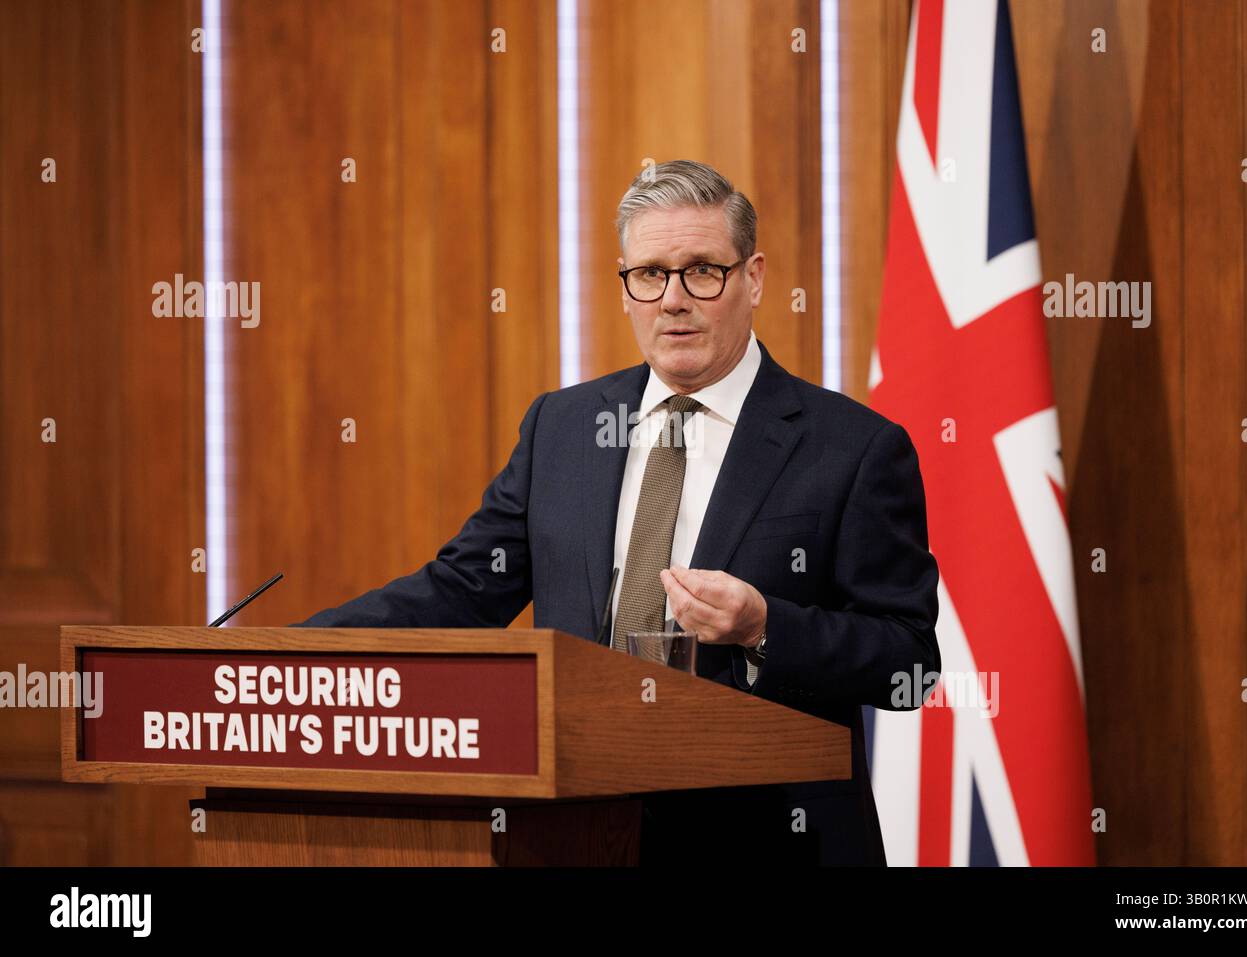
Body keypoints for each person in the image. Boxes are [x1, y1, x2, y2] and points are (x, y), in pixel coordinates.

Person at [297, 159, 940, 865]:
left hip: (767, 840)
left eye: (702, 270)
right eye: (650, 274)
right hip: (575, 830)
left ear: (753, 278)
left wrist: (765, 626)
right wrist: (294, 654)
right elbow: (461, 590)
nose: (673, 299)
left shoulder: (851, 447)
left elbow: (909, 658)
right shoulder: (563, 426)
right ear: (625, 286)